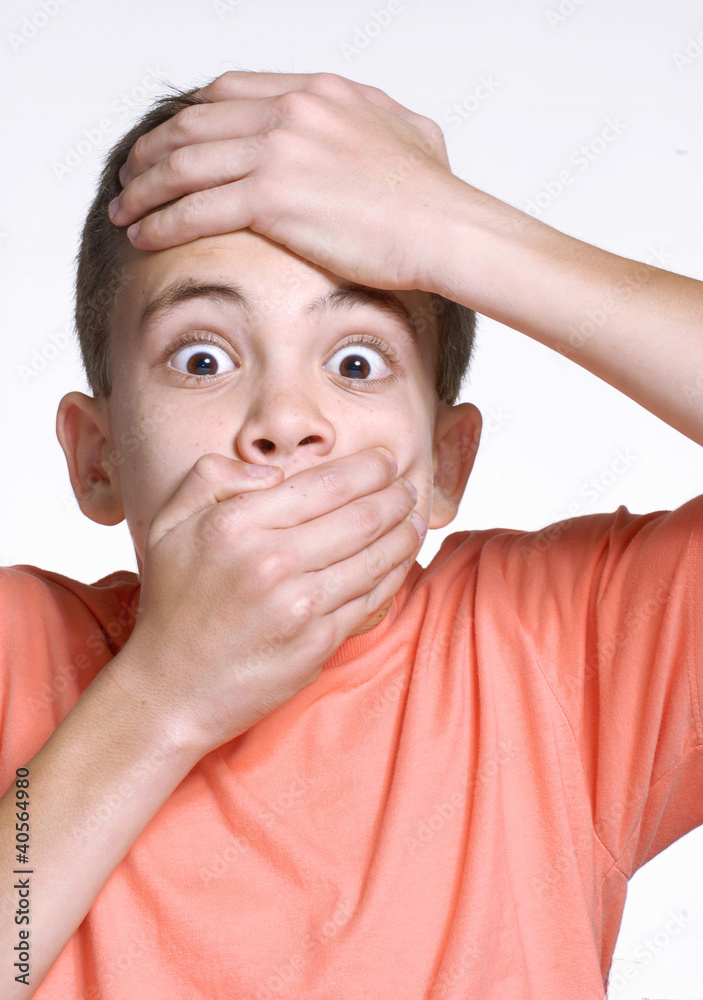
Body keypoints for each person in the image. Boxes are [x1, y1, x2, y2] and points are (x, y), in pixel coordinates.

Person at [1, 69, 701, 1000]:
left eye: (357, 360)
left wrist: (462, 232)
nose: (287, 418)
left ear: (446, 463)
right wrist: (163, 700)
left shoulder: (560, 655)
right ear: (97, 459)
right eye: (203, 357)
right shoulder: (19, 654)